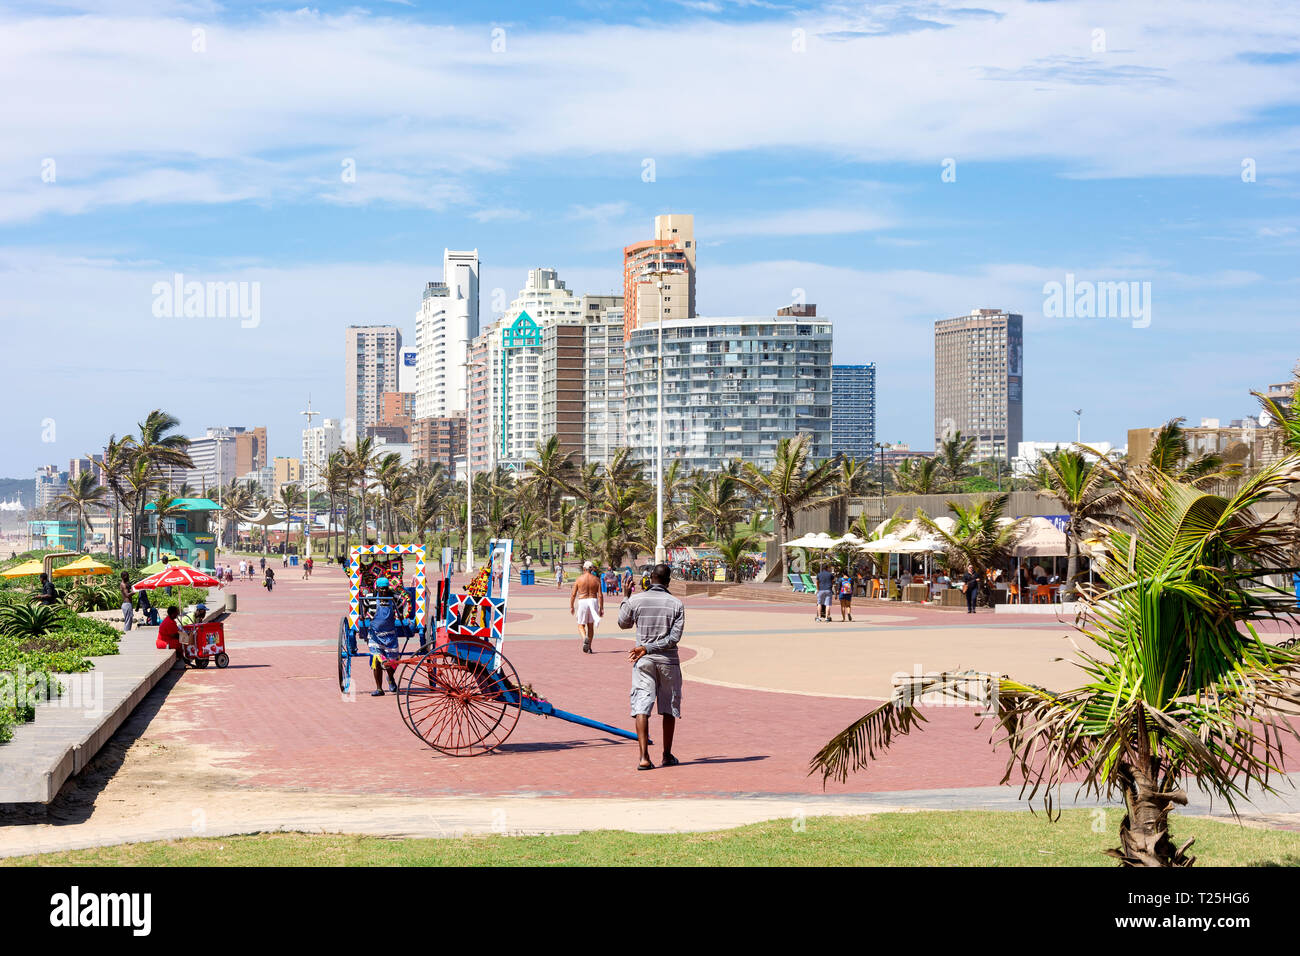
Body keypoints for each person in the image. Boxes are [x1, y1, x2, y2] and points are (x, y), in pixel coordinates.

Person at [618, 563, 684, 771]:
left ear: (651, 578)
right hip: (668, 662)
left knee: (641, 706)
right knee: (668, 708)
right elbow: (674, 638)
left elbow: (623, 623)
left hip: (643, 659)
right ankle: (666, 754)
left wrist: (626, 596)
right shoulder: (676, 604)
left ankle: (644, 757)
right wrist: (650, 648)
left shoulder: (636, 600)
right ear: (668, 581)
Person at [367, 577, 401, 696]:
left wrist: (401, 614)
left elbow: (402, 606)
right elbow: (363, 606)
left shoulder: (394, 598)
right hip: (375, 635)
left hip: (390, 635)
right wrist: (363, 616)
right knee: (376, 660)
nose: (383, 591)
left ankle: (391, 679)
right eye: (381, 589)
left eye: (386, 589)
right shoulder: (370, 598)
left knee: (391, 661)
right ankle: (379, 688)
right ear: (377, 588)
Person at [570, 561, 603, 654]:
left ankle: (585, 638)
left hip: (583, 601)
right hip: (593, 600)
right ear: (591, 569)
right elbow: (600, 595)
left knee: (581, 625)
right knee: (590, 626)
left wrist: (571, 606)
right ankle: (589, 647)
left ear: (584, 569)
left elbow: (573, 594)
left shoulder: (579, 579)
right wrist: (601, 608)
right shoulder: (596, 579)